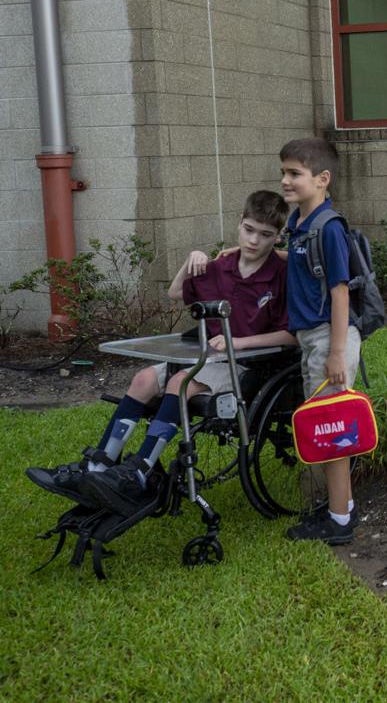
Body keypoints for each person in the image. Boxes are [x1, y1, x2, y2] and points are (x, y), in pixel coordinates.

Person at [26, 190, 294, 515]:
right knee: (142, 380)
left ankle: (137, 473)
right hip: (209, 356)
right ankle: (98, 466)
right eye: (249, 230)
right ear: (240, 222)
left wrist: (237, 343)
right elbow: (175, 292)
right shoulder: (222, 265)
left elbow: (291, 336)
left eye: (265, 235)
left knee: (180, 383)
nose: (254, 240)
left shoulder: (282, 275)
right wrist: (191, 261)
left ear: (277, 237)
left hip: (249, 363)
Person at [277, 137, 360, 545]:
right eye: (283, 172)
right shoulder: (299, 224)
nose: (285, 180)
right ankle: (337, 505)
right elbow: (296, 263)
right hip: (312, 339)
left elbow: (340, 291)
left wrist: (337, 353)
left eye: (295, 173)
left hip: (330, 338)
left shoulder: (329, 228)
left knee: (332, 430)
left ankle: (339, 520)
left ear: (322, 179)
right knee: (326, 427)